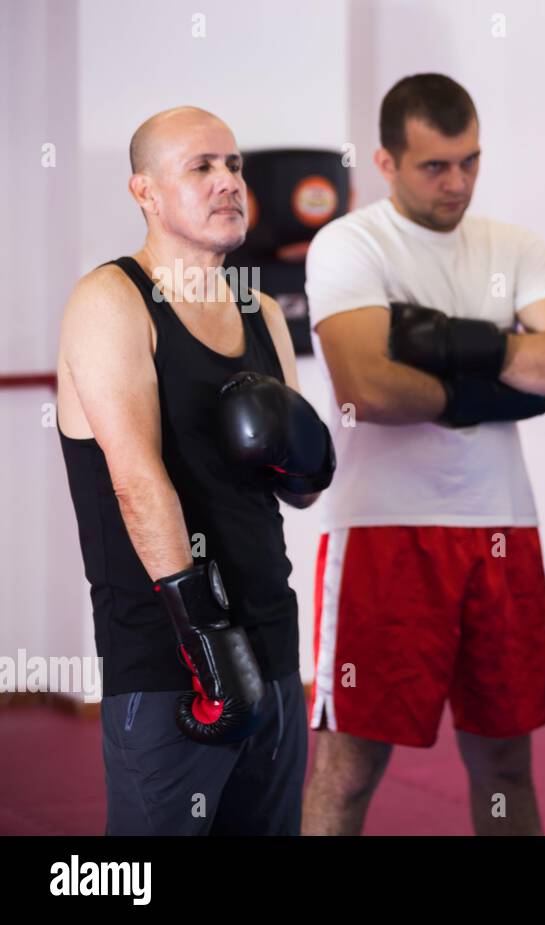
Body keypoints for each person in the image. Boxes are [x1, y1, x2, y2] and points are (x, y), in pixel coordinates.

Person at [303, 73, 545, 836]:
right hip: (384, 533)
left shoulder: (514, 245)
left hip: (503, 527)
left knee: (506, 762)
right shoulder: (349, 244)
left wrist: (454, 344)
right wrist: (495, 386)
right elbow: (366, 386)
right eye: (436, 166)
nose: (458, 181)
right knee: (348, 766)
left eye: (470, 161)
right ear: (387, 161)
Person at [57, 106, 332, 835]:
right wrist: (209, 645)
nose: (227, 182)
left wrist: (306, 462)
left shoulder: (263, 311)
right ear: (144, 192)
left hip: (271, 637)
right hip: (168, 655)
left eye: (234, 166)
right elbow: (136, 478)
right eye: (201, 167)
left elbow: (295, 489)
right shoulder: (111, 300)